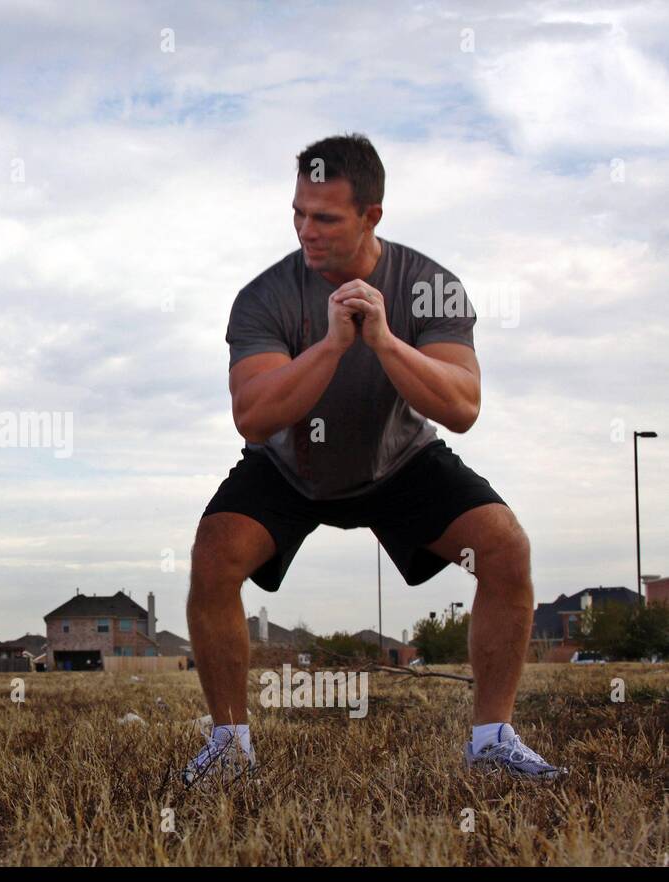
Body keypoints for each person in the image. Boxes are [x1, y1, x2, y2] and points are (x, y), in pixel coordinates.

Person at [182, 134, 566, 787]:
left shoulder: (428, 287)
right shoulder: (264, 297)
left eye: (325, 217)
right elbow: (253, 414)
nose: (307, 229)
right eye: (298, 212)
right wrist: (331, 346)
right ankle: (230, 745)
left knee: (505, 550)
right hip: (290, 468)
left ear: (371, 217)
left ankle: (491, 740)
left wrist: (385, 340)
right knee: (214, 554)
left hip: (398, 463)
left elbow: (463, 407)